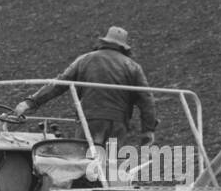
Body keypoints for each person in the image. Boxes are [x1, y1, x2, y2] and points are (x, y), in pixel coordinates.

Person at [14, 26, 158, 148]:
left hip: (89, 119)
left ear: (104, 42)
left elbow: (59, 84)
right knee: (112, 166)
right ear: (123, 46)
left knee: (84, 162)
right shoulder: (133, 67)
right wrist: (148, 130)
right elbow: (146, 99)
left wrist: (31, 102)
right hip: (118, 122)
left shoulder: (85, 59)